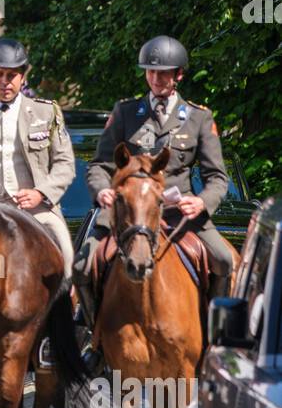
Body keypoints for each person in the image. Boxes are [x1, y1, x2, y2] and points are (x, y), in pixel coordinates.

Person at [73, 35, 233, 327]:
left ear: (178, 75)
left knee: (224, 260)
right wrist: (103, 192)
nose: (156, 78)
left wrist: (201, 202)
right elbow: (99, 165)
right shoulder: (124, 112)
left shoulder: (199, 117)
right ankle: (94, 339)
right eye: (151, 71)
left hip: (178, 213)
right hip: (128, 212)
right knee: (82, 265)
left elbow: (217, 177)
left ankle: (215, 336)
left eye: (163, 73)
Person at [0, 38, 76, 275]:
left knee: (67, 255)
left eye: (11, 75)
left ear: (22, 77)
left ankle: (73, 307)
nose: (5, 82)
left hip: (36, 210)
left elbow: (65, 163)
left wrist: (41, 193)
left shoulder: (46, 111)